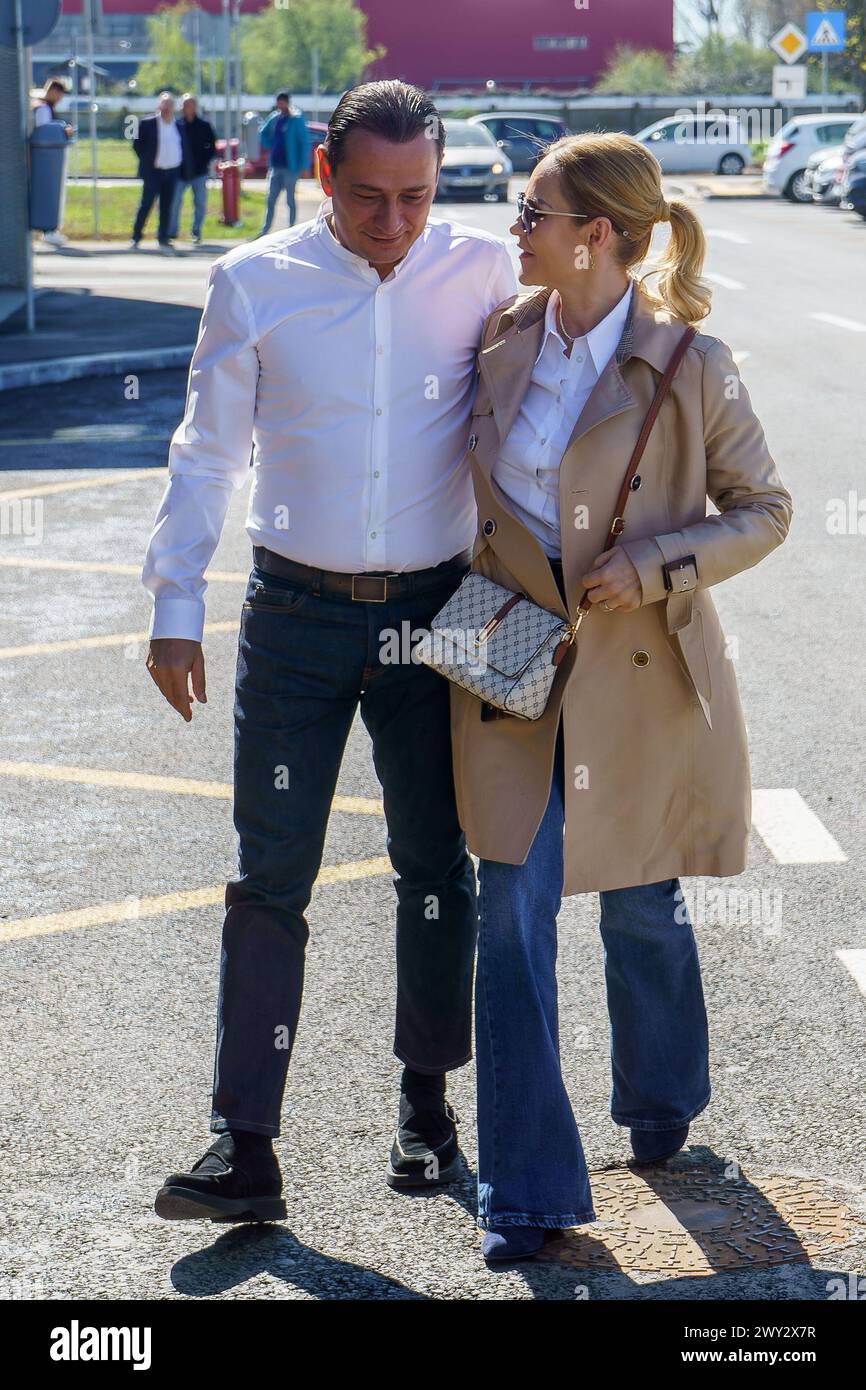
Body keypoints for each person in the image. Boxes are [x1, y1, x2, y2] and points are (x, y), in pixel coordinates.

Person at [142, 80, 517, 1223]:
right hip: (293, 616)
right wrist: (173, 602)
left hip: (439, 610)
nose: (392, 222)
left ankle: (426, 1112)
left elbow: (553, 409)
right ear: (321, 176)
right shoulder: (253, 281)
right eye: (366, 198)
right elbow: (207, 451)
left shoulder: (484, 270)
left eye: (415, 197)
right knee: (270, 875)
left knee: (436, 868)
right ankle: (243, 1145)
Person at [446, 132, 793, 1263]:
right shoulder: (499, 336)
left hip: (635, 657)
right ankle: (526, 1191)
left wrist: (652, 565)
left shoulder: (692, 362)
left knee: (642, 899)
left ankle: (660, 1101)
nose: (515, 226)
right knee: (509, 904)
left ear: (594, 234)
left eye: (532, 210)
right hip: (507, 641)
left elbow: (765, 508)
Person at [131, 92, 183, 252]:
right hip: (153, 172)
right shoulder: (147, 123)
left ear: (174, 108)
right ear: (158, 105)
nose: (166, 108)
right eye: (164, 104)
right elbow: (137, 145)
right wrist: (147, 161)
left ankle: (163, 237)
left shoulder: (178, 125)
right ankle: (136, 236)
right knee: (146, 204)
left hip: (172, 172)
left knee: (167, 206)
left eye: (169, 105)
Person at [257, 91, 309, 235]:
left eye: (282, 102)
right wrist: (269, 144)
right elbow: (263, 132)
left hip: (290, 167)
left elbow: (304, 142)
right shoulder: (275, 118)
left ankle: (291, 228)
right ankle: (265, 229)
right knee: (271, 199)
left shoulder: (296, 119)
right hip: (276, 165)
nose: (280, 105)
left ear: (287, 102)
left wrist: (304, 165)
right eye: (278, 102)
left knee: (290, 199)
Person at [168, 93, 215, 244]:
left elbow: (212, 146)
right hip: (179, 172)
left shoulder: (204, 125)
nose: (188, 108)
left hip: (199, 172)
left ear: (195, 107)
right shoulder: (176, 126)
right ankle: (172, 231)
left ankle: (196, 231)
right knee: (174, 202)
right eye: (185, 105)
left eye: (190, 105)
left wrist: (204, 161)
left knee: (200, 203)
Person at [31, 79, 73, 248]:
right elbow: (45, 131)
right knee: (47, 191)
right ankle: (48, 231)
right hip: (45, 159)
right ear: (54, 91)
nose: (61, 98)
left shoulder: (40, 105)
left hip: (43, 158)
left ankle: (48, 230)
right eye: (60, 94)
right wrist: (63, 131)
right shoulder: (44, 108)